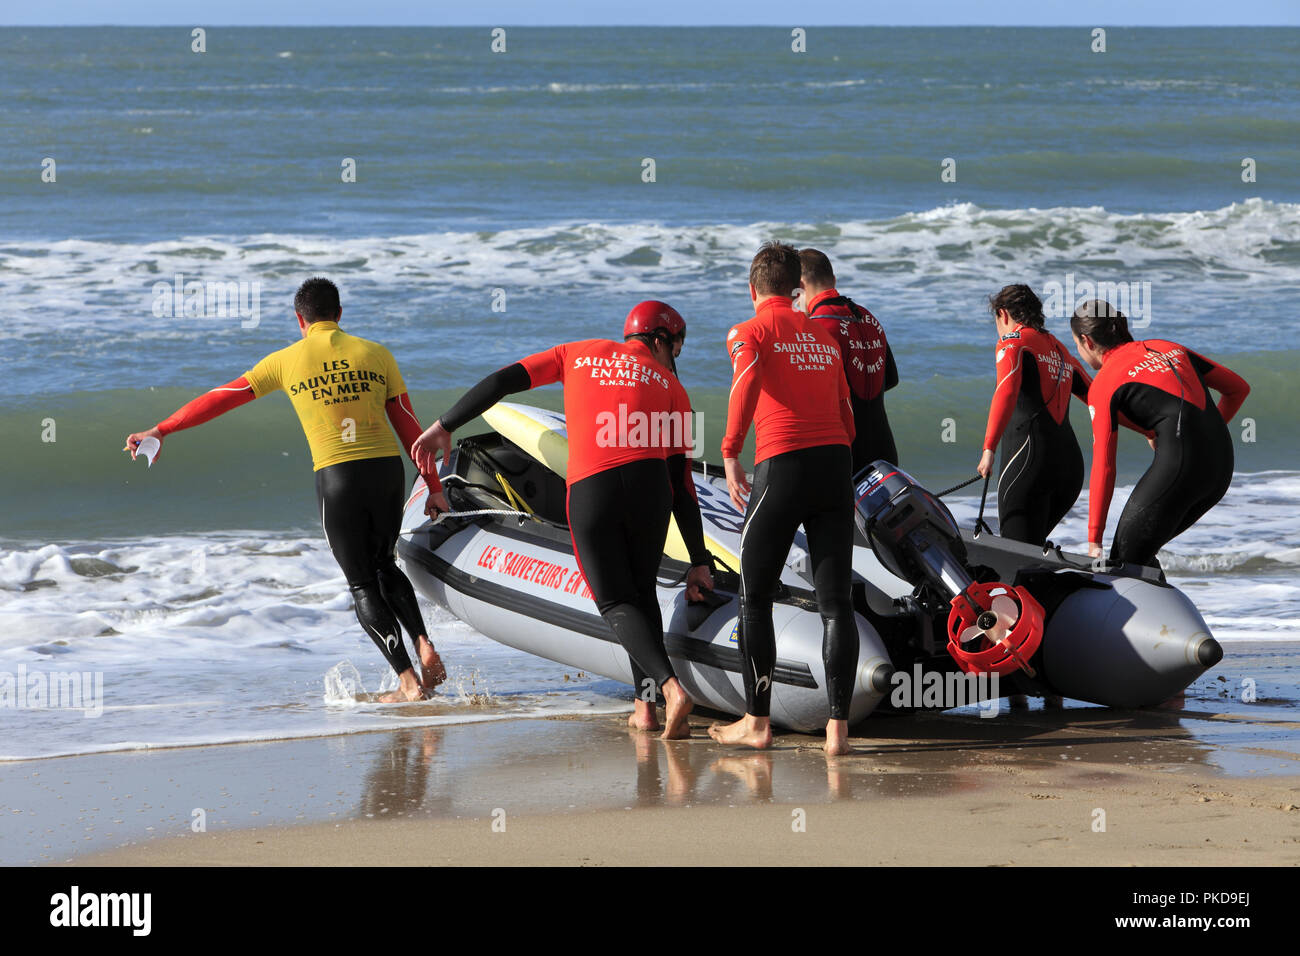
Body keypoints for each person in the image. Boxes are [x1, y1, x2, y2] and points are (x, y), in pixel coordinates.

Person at [124, 278, 450, 703]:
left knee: (362, 585)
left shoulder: (285, 360)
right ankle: (423, 641)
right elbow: (409, 423)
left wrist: (162, 429)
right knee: (385, 565)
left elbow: (222, 397)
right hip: (385, 470)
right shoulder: (376, 354)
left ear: (300, 319)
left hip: (339, 475)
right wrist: (433, 485)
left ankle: (408, 683)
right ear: (339, 314)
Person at [410, 302, 714, 740]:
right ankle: (644, 711)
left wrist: (445, 424)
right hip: (651, 489)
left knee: (614, 602)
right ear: (662, 341)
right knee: (640, 593)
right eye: (676, 349)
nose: (675, 361)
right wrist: (698, 559)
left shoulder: (578, 353)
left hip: (596, 485)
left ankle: (670, 690)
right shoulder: (671, 387)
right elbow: (682, 486)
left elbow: (502, 381)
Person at [709, 242, 859, 756]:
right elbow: (847, 417)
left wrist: (730, 452)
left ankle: (757, 721)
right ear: (796, 288)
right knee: (836, 604)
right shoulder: (824, 336)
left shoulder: (747, 332)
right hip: (835, 466)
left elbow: (745, 383)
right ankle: (837, 732)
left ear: (753, 290)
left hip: (784, 465)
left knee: (754, 597)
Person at [1071, 300, 1250, 566]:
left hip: (1181, 467)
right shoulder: (1169, 348)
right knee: (1141, 553)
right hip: (1221, 465)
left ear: (1086, 341)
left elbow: (1104, 465)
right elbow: (1238, 389)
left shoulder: (1104, 383)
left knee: (1126, 559)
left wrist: (1094, 539)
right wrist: (1203, 435)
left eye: (1075, 343)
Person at [977, 284, 1092, 546]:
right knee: (1031, 549)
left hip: (1029, 463)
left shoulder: (1013, 341)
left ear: (1003, 314)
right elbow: (1099, 396)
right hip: (1070, 469)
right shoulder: (1061, 351)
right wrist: (1148, 430)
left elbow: (1005, 391)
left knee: (1017, 555)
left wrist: (988, 449)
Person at [799, 248, 900, 472]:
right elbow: (891, 379)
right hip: (885, 452)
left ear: (800, 286)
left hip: (845, 456)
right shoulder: (868, 317)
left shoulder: (815, 328)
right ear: (833, 280)